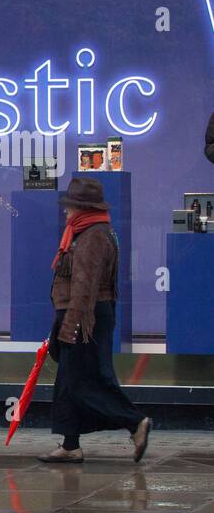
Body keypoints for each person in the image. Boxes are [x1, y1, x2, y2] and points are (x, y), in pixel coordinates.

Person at [40, 177, 151, 463]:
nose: (65, 211)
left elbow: (84, 287)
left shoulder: (92, 236)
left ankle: (134, 421)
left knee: (81, 382)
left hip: (84, 315)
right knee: (68, 379)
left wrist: (71, 326)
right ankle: (70, 444)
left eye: (70, 206)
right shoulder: (85, 231)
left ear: (82, 208)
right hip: (79, 312)